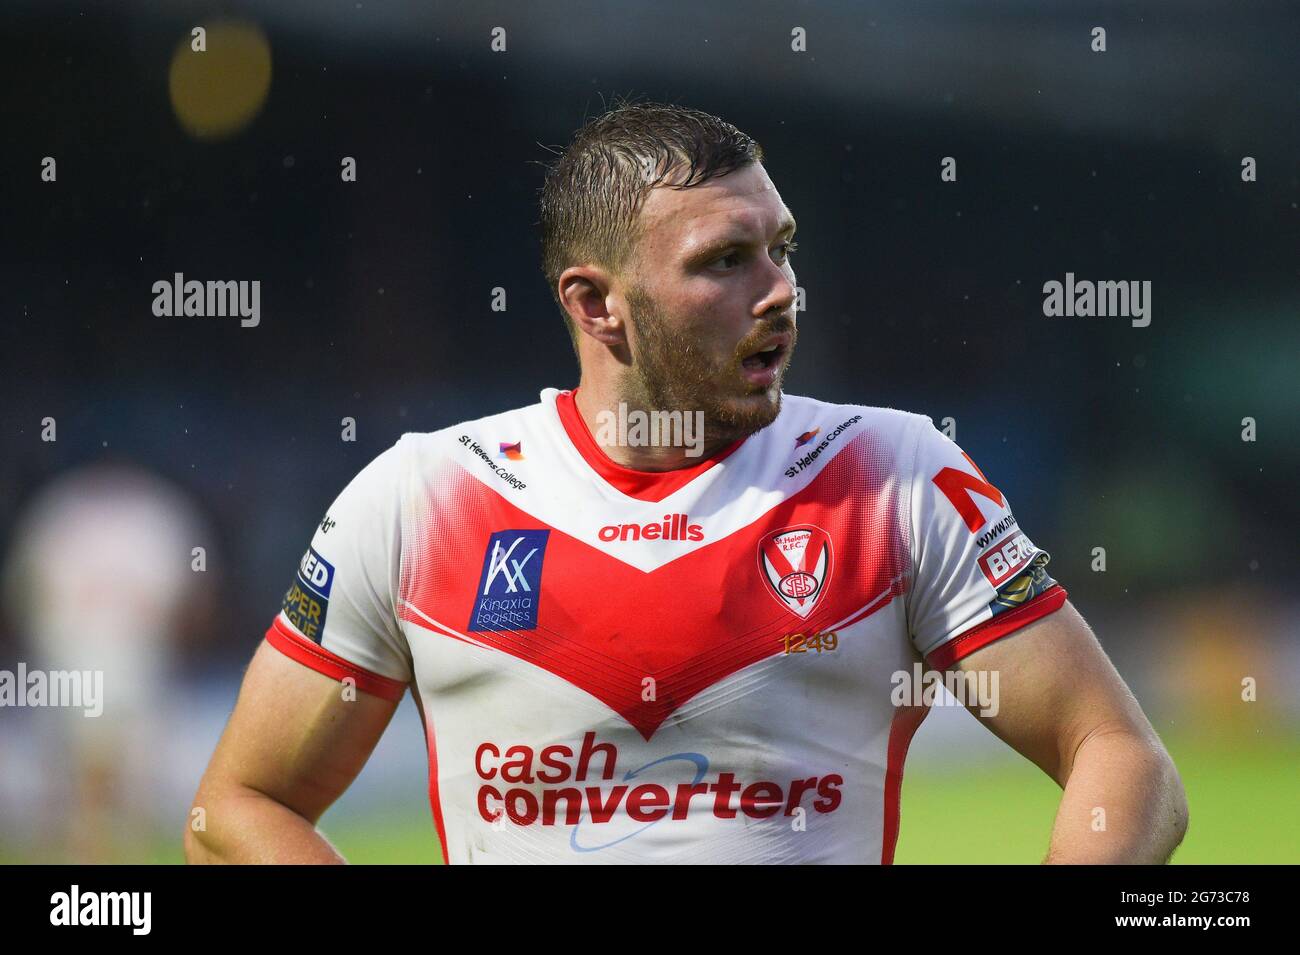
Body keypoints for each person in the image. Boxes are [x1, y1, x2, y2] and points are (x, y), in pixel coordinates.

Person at [186, 102, 1187, 864]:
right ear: (598, 304)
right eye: (726, 261)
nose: (780, 290)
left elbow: (1121, 756)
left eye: (782, 248)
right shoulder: (420, 498)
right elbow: (238, 807)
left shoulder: (894, 476)